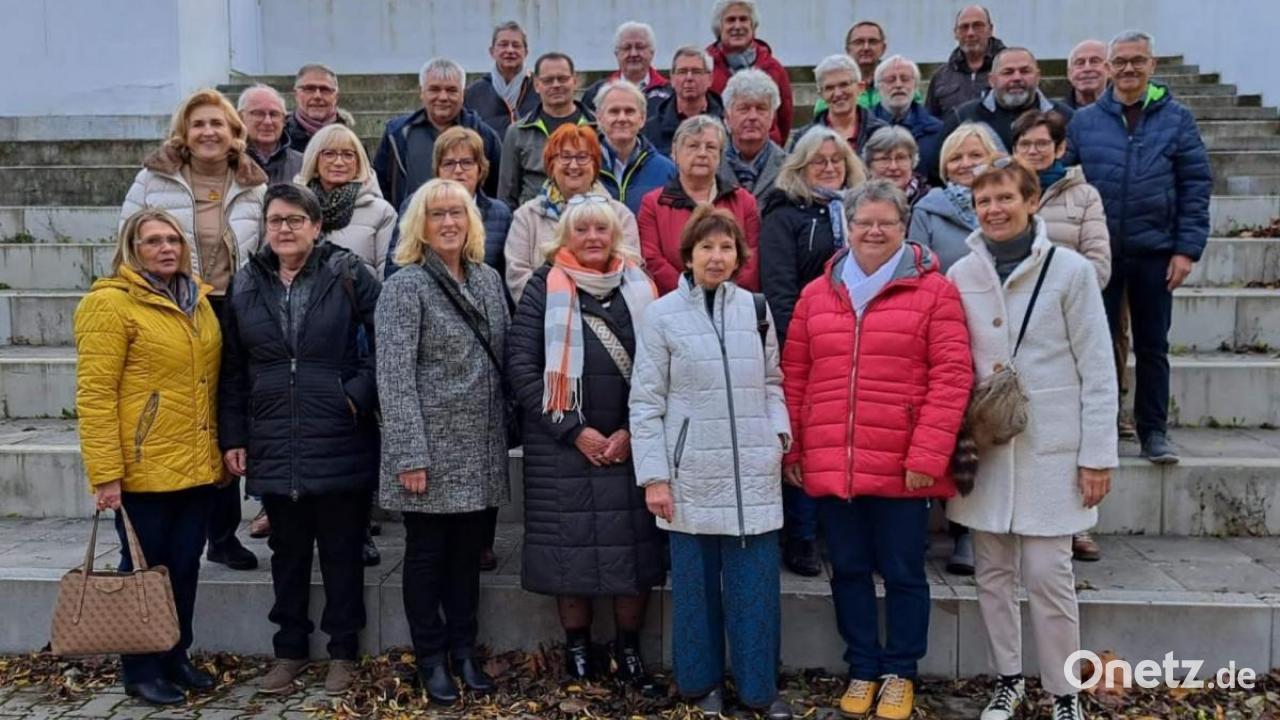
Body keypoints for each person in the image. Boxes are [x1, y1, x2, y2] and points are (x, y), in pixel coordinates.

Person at [781, 180, 972, 720]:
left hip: (901, 464)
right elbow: (796, 374)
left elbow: (952, 377)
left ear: (903, 226)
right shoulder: (819, 292)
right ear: (849, 225)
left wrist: (927, 457)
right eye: (864, 221)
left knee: (904, 571)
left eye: (885, 222)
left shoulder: (935, 291)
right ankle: (863, 666)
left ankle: (900, 671)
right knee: (848, 569)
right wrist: (794, 448)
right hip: (833, 461)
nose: (874, 231)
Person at [946, 158, 1117, 720]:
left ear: (1031, 200)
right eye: (983, 201)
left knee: (1048, 575)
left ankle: (1064, 692)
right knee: (992, 574)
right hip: (987, 449)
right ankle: (1008, 680)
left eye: (1005, 198)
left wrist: (1097, 456)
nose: (994, 209)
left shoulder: (1069, 271)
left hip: (1052, 449)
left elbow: (1098, 368)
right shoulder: (961, 275)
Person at [630, 206, 793, 720]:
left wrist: (778, 433)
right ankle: (701, 686)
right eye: (706, 247)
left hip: (753, 473)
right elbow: (646, 401)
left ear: (740, 256)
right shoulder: (661, 316)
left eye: (726, 247)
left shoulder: (757, 310)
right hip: (690, 474)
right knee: (696, 591)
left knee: (755, 591)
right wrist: (655, 475)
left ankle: (758, 689)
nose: (716, 257)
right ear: (689, 255)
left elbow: (772, 382)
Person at [218, 184, 380, 696]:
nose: (284, 230)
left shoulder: (349, 273)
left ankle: (343, 652)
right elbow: (233, 371)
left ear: (315, 226)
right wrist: (235, 435)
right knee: (287, 553)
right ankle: (288, 650)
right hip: (274, 436)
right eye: (275, 221)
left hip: (338, 431)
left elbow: (388, 344)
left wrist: (354, 394)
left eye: (295, 220)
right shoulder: (246, 283)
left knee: (341, 550)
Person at [506, 198, 664, 685]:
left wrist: (632, 433)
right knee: (567, 551)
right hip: (562, 447)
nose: (593, 237)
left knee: (630, 551)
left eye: (602, 228)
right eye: (582, 229)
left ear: (615, 235)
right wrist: (574, 430)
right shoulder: (543, 286)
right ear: (565, 237)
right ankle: (577, 648)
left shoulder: (642, 288)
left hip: (628, 440)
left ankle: (629, 649)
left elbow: (662, 365)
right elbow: (521, 366)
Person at [75, 209, 223, 707]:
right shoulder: (109, 306)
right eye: (152, 241)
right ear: (131, 249)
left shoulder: (196, 301)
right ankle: (140, 669)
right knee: (144, 571)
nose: (165, 248)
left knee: (184, 566)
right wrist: (106, 474)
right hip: (142, 470)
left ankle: (176, 654)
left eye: (173, 240)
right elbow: (95, 395)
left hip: (195, 464)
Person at [119, 88, 266, 573]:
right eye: (199, 124)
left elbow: (264, 249)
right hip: (172, 304)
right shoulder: (153, 179)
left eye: (217, 124)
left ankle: (221, 534)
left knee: (224, 414)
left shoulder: (252, 183)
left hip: (232, 306)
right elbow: (127, 240)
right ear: (184, 131)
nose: (208, 132)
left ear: (234, 133)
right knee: (188, 411)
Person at [376, 179, 511, 704]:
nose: (449, 222)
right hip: (429, 449)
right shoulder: (404, 287)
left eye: (457, 212)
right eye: (437, 215)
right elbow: (393, 378)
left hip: (479, 444)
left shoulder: (488, 280)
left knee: (467, 555)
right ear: (420, 226)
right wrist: (410, 453)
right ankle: (430, 657)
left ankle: (464, 650)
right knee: (427, 554)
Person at [1065, 30, 1212, 465]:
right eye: (1121, 61)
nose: (1128, 68)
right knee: (1098, 344)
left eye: (1138, 61)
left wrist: (1186, 250)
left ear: (1154, 66)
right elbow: (1070, 183)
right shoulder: (1085, 121)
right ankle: (1102, 427)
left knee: (1152, 345)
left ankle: (1153, 431)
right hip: (1100, 253)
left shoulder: (1178, 118)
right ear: (1108, 68)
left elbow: (1196, 185)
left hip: (1155, 250)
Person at [758, 127, 865, 578]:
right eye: (818, 161)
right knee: (804, 435)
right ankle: (800, 534)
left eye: (836, 160)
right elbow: (779, 287)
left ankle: (847, 532)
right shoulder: (784, 215)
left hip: (861, 343)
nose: (828, 167)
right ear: (800, 166)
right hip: (807, 341)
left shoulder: (861, 211)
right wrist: (793, 343)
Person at [1011, 110, 1111, 564]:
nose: (1034, 151)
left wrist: (1058, 284)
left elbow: (1098, 262)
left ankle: (1079, 525)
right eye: (1025, 144)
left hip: (1066, 313)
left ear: (1060, 147)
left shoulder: (1082, 194)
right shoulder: (1004, 192)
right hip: (1016, 324)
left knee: (1075, 415)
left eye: (1041, 143)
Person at [504, 124, 639, 302]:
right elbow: (517, 277)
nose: (574, 165)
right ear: (551, 165)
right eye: (565, 157)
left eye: (582, 157)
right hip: (545, 316)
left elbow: (631, 270)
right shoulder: (526, 216)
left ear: (595, 165)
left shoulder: (620, 215)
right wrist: (561, 306)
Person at [639, 114, 760, 294]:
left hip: (733, 301)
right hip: (674, 302)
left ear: (720, 156)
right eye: (693, 146)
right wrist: (690, 293)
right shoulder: (653, 204)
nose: (702, 153)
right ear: (674, 153)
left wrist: (725, 294)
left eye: (711, 147)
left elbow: (751, 258)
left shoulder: (744, 201)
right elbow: (652, 259)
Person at [372, 57, 504, 210]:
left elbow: (496, 190)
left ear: (463, 94)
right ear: (421, 92)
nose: (443, 97)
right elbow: (381, 188)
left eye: (451, 90)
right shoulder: (397, 134)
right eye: (434, 89)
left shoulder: (484, 136)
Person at [298, 124, 397, 278]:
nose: (339, 162)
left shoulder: (381, 212)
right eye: (329, 154)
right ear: (314, 160)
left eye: (348, 155)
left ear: (358, 163)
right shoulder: (294, 206)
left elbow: (388, 274)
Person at [498, 52, 595, 209]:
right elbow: (507, 196)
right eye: (548, 80)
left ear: (575, 80)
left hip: (587, 221)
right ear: (537, 85)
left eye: (562, 79)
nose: (556, 85)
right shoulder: (517, 132)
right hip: (534, 224)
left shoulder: (597, 128)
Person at [941, 47, 1075, 152]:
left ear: (1037, 77)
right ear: (992, 80)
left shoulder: (1065, 116)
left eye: (1025, 71)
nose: (1017, 78)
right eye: (1008, 72)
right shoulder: (964, 116)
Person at [909, 122, 1001, 273]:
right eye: (956, 158)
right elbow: (917, 270)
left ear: (991, 161)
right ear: (945, 167)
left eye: (975, 155)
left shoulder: (1010, 204)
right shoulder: (925, 211)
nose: (966, 164)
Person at [705, 0, 793, 146]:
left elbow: (785, 119)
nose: (737, 26)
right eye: (731, 20)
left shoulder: (774, 69)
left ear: (753, 26)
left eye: (744, 19)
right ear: (719, 27)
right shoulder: (706, 68)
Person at [595, 80, 677, 215]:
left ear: (643, 118)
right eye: (614, 111)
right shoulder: (582, 167)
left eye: (629, 111)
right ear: (599, 118)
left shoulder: (667, 171)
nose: (622, 118)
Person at [791, 55, 886, 154]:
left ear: (860, 88)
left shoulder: (881, 133)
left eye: (844, 85)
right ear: (821, 95)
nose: (838, 93)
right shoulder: (804, 138)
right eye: (829, 88)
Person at [870, 55, 944, 182]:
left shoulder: (937, 131)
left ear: (915, 86)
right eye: (890, 80)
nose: (898, 85)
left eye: (905, 79)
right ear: (878, 87)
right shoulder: (864, 127)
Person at [925, 5, 1006, 119]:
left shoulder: (1010, 71)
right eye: (964, 27)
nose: (970, 33)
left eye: (977, 26)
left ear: (990, 30)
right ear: (955, 33)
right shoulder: (941, 77)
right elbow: (931, 124)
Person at [643, 47, 725, 157]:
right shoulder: (651, 128)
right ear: (672, 78)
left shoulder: (727, 122)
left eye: (696, 72)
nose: (689, 78)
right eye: (682, 72)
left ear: (710, 78)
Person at [719, 69, 787, 201]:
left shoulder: (790, 168)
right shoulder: (710, 163)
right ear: (727, 116)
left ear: (772, 116)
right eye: (744, 109)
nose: (752, 117)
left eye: (761, 108)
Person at [465, 21, 540, 137]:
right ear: (492, 51)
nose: (510, 50)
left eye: (516, 45)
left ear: (526, 52)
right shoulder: (474, 93)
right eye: (503, 44)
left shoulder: (539, 89)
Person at [582, 22, 671, 113]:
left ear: (652, 52)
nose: (633, 53)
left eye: (640, 47)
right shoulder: (596, 92)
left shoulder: (670, 93)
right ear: (616, 54)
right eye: (626, 48)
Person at [237, 84, 303, 185]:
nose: (268, 122)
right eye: (258, 113)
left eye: (274, 114)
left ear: (284, 120)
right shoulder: (227, 162)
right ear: (240, 118)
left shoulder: (302, 164)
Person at [284, 64, 354, 152]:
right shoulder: (281, 140)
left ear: (336, 97)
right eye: (309, 89)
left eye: (325, 89)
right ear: (296, 95)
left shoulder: (352, 140)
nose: (317, 96)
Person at [863, 126, 929, 206]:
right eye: (884, 159)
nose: (893, 167)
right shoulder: (856, 200)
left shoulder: (930, 200)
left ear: (912, 161)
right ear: (869, 165)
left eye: (900, 158)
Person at [846, 21, 887, 106]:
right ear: (848, 49)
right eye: (859, 42)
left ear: (883, 48)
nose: (866, 47)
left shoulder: (900, 81)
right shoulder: (835, 85)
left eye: (872, 41)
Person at [1063, 39, 1109, 110]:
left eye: (1094, 61)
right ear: (1069, 74)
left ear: (1109, 69)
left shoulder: (1125, 111)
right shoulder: (1057, 116)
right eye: (1080, 63)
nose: (1087, 69)